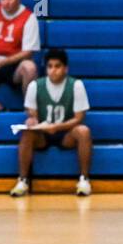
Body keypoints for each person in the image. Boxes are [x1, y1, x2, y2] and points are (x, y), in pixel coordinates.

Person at [10, 48, 93, 198]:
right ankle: (22, 180)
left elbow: (79, 117)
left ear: (65, 68)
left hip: (67, 133)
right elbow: (32, 113)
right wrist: (32, 120)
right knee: (27, 133)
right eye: (50, 66)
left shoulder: (76, 85)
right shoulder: (35, 85)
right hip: (43, 133)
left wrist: (57, 127)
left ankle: (84, 180)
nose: (53, 70)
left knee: (84, 131)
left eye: (57, 66)